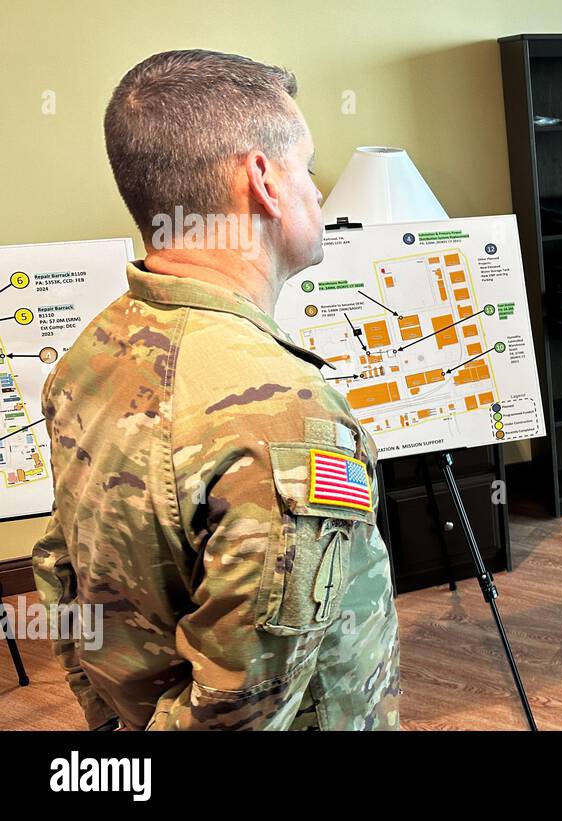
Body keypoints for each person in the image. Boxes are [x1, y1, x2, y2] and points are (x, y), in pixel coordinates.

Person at [31, 50, 400, 730]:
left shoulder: (88, 358)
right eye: (308, 167)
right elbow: (242, 713)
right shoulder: (283, 414)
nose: (317, 192)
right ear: (262, 178)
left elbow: (63, 582)